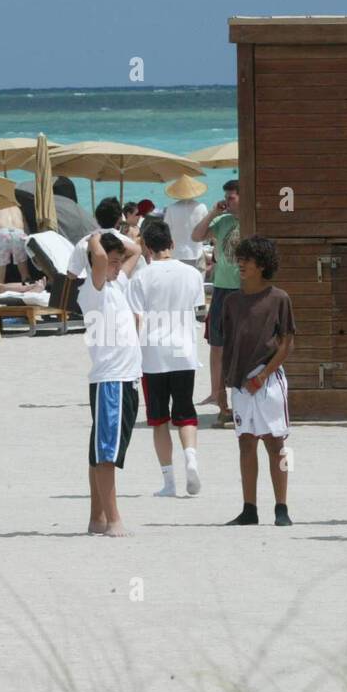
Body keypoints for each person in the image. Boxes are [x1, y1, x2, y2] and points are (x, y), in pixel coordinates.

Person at [220, 235, 295, 527]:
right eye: (240, 258)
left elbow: (287, 343)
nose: (241, 263)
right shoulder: (231, 301)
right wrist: (221, 386)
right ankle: (249, 509)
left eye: (247, 259)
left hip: (269, 380)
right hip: (240, 384)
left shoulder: (279, 298)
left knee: (277, 444)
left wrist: (263, 375)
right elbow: (226, 346)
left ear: (262, 264)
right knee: (245, 443)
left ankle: (282, 508)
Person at [127, 220, 205, 497]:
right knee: (186, 412)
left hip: (153, 354)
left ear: (147, 247)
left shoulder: (141, 277)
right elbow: (197, 309)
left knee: (159, 419)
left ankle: (169, 482)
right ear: (172, 243)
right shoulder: (192, 274)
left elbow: (137, 318)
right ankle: (191, 458)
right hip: (184, 351)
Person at [78, 229, 143, 537]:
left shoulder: (118, 284)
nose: (117, 266)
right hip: (111, 379)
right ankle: (114, 520)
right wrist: (94, 236)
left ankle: (98, 517)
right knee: (107, 452)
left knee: (101, 450)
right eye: (112, 262)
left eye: (118, 262)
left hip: (126, 377)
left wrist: (113, 234)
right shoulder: (94, 289)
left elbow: (136, 250)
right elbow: (100, 257)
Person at [192, 179, 241, 426]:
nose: (227, 201)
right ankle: (221, 403)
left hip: (244, 290)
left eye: (231, 197)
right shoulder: (222, 221)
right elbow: (196, 235)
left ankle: (239, 404)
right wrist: (213, 211)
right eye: (227, 197)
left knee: (242, 346)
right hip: (222, 289)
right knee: (217, 344)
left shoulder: (253, 220)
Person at [162, 175, 209, 271]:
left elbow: (166, 230)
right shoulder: (201, 207)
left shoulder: (171, 208)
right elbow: (207, 228)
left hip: (177, 253)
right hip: (197, 252)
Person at [68, 197, 125, 276]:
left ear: (97, 218)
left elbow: (72, 274)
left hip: (92, 282)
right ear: (119, 219)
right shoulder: (127, 243)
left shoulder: (84, 242)